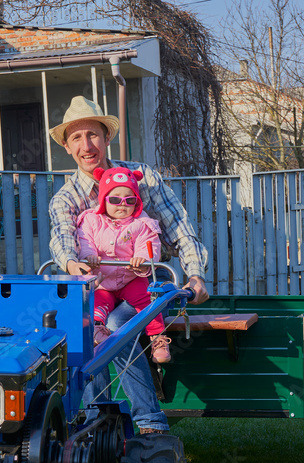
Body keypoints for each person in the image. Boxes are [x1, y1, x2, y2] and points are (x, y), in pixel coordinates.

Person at [48, 96, 210, 434]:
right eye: (76, 138)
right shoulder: (67, 197)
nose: (86, 145)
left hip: (140, 288)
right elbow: (62, 237)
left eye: (92, 135)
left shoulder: (143, 179)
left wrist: (195, 276)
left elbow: (178, 226)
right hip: (99, 290)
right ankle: (96, 422)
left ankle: (150, 423)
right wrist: (71, 262)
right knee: (89, 330)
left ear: (107, 138)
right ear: (66, 146)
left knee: (117, 328)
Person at [77, 165, 171, 363]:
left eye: (129, 200)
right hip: (104, 281)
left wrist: (142, 259)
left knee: (146, 300)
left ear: (136, 203)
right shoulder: (93, 221)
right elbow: (85, 241)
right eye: (115, 199)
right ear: (104, 200)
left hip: (130, 278)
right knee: (97, 303)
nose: (122, 205)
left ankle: (157, 338)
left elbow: (149, 245)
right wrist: (90, 255)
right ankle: (97, 331)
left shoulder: (141, 224)